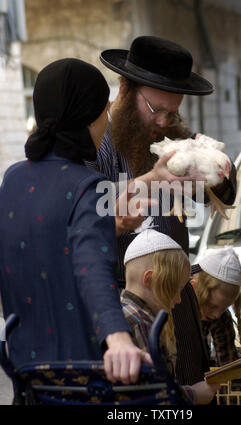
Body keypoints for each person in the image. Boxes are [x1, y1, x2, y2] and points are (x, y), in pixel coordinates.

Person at [0, 58, 157, 393]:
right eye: (104, 110)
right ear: (90, 119)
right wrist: (118, 338)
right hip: (82, 382)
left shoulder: (12, 180)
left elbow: (54, 252)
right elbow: (92, 267)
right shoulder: (88, 186)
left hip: (28, 377)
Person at [86, 35, 237, 385]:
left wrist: (217, 167)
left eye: (174, 112)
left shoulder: (173, 139)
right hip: (124, 311)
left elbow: (225, 196)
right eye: (156, 110)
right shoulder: (97, 147)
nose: (164, 122)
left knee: (187, 393)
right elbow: (87, 230)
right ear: (124, 91)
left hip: (178, 303)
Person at [121, 229, 220, 404]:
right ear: (150, 279)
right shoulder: (140, 323)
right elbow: (152, 395)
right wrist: (193, 395)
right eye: (175, 289)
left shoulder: (123, 313)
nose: (179, 299)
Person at [191, 247, 241, 366]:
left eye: (224, 308)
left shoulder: (220, 317)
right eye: (212, 306)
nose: (217, 315)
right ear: (194, 287)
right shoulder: (175, 305)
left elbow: (229, 366)